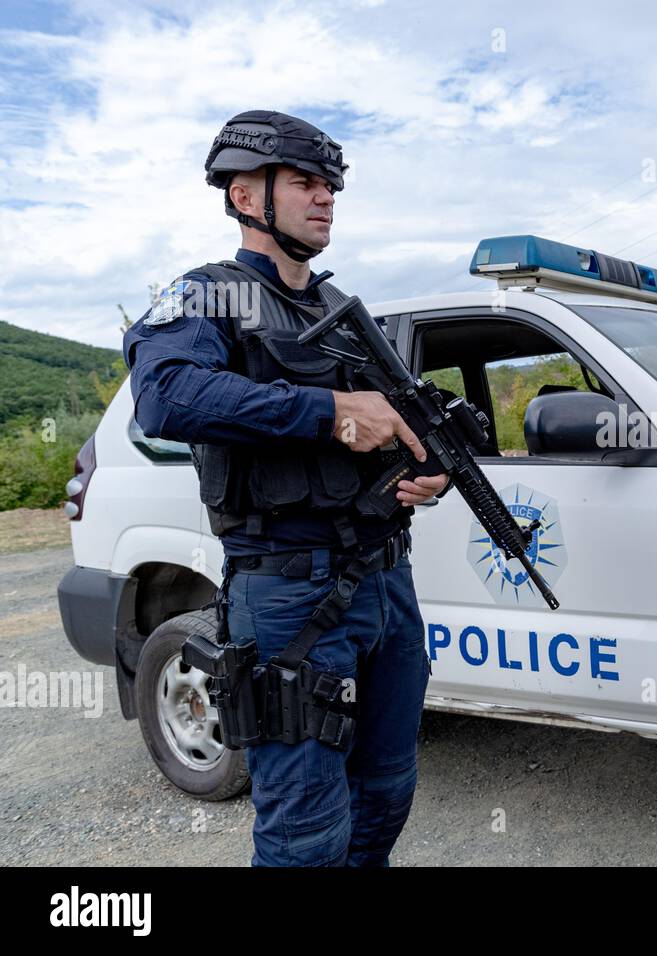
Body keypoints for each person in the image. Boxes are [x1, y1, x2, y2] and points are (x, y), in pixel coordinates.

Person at [122, 110, 448, 866]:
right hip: (290, 596)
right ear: (245, 197)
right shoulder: (210, 296)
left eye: (330, 185)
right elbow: (167, 395)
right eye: (304, 182)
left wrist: (421, 475)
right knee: (306, 832)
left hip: (385, 586)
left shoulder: (341, 317)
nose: (325, 197)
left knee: (387, 792)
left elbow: (387, 432)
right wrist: (330, 412)